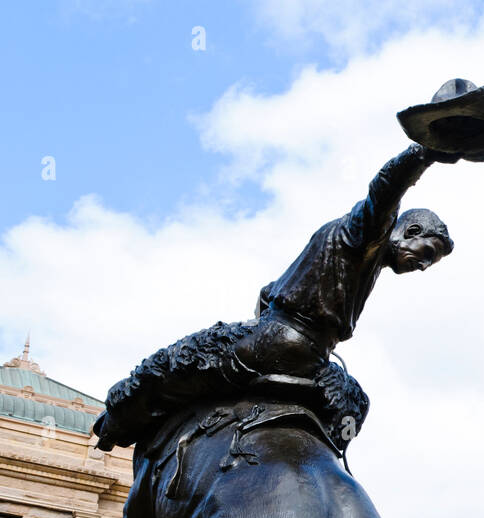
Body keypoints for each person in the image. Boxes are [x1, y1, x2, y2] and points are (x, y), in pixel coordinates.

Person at [93, 142, 453, 454]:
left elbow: (267, 293)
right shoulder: (366, 233)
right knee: (175, 363)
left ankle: (116, 422)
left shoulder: (366, 251)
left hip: (291, 348)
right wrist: (424, 152)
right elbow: (385, 189)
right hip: (291, 349)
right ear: (409, 229)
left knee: (171, 366)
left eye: (430, 262)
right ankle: (113, 424)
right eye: (426, 253)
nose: (423, 265)